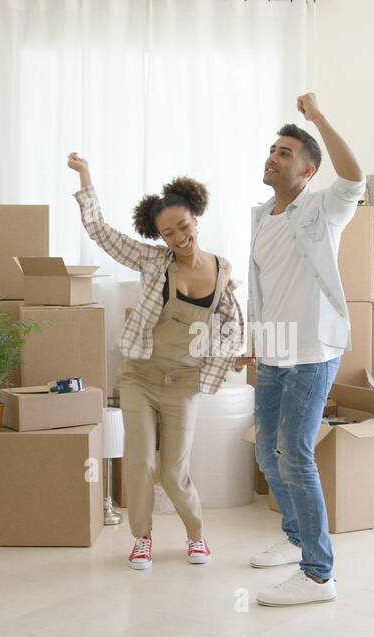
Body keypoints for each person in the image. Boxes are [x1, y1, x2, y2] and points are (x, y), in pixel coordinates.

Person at [68, 153, 245, 570]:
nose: (179, 237)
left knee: (173, 471)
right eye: (168, 233)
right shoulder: (152, 261)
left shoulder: (222, 270)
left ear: (196, 218)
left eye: (183, 226)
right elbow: (100, 231)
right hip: (139, 377)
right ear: (159, 237)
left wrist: (234, 355)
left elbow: (228, 325)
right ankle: (142, 538)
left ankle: (196, 535)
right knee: (141, 461)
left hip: (182, 381)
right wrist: (86, 176)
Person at [241, 93, 365, 606]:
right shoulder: (261, 214)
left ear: (309, 169)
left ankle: (319, 576)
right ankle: (296, 542)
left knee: (295, 453)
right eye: (272, 149)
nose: (274, 156)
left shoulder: (325, 208)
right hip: (274, 351)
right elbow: (263, 285)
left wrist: (317, 118)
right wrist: (254, 339)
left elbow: (355, 176)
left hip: (313, 352)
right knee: (268, 451)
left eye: (286, 152)